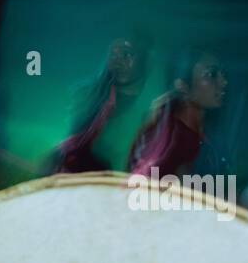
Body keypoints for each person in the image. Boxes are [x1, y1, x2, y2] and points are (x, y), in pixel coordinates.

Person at [50, 33, 152, 173]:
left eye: (126, 54)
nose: (117, 61)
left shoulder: (149, 109)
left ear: (142, 61)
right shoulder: (90, 95)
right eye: (113, 55)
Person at [127, 47, 230, 178]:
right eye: (211, 74)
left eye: (223, 74)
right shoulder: (166, 139)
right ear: (182, 86)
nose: (224, 82)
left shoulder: (210, 136)